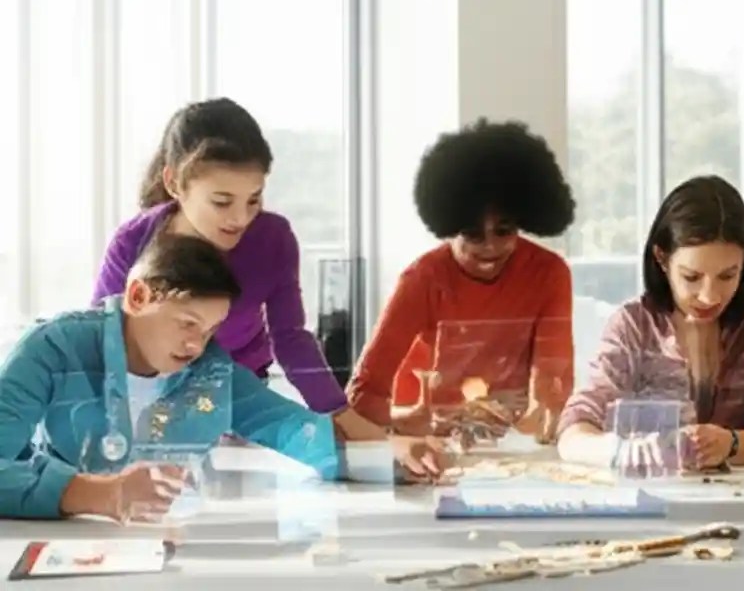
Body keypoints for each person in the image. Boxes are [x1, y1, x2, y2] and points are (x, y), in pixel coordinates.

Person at [1, 235, 446, 521]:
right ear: (138, 296)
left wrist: (388, 455)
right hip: (53, 553)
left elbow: (294, 427)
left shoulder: (210, 373)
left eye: (211, 330)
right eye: (188, 323)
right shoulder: (51, 350)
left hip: (167, 551)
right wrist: (101, 494)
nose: (197, 345)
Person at [91, 99, 382, 441]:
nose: (240, 218)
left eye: (254, 199)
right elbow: (100, 339)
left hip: (239, 396)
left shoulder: (273, 239)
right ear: (174, 183)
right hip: (146, 400)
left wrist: (341, 415)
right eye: (221, 202)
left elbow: (290, 338)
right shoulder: (134, 242)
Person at [557, 176, 744, 472]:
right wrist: (620, 450)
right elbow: (573, 431)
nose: (709, 296)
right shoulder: (634, 327)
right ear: (662, 259)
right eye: (691, 277)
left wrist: (731, 443)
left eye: (728, 276)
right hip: (652, 499)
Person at [346, 119, 576, 443]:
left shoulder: (549, 272)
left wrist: (532, 417)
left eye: (504, 230)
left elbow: (551, 385)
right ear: (448, 224)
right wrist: (405, 420)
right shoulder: (422, 280)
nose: (491, 247)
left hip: (517, 449)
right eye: (472, 234)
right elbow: (362, 396)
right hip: (431, 448)